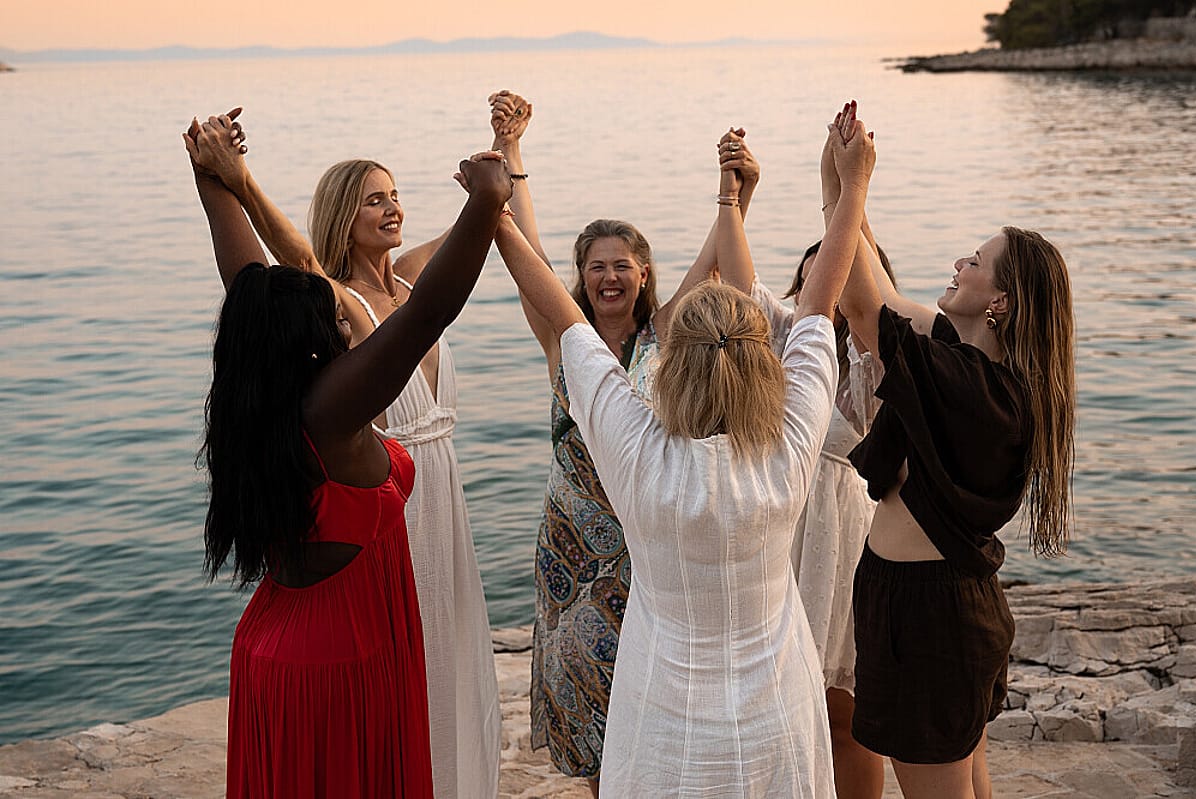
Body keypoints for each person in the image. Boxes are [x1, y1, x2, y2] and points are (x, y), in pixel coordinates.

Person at [492, 112, 876, 797]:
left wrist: (492, 215)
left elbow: (562, 312)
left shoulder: (634, 446)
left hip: (660, 723)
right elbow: (819, 309)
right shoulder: (790, 445)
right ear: (765, 365)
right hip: (776, 715)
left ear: (670, 369)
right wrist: (852, 185)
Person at [185, 111, 511, 798]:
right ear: (302, 339)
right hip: (345, 657)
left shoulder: (265, 397)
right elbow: (427, 316)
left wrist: (210, 174)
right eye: (331, 317)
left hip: (277, 649)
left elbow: (247, 280)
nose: (346, 320)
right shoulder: (331, 405)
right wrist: (486, 197)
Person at [488, 91, 759, 794]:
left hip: (651, 546)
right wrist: (513, 152)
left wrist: (735, 190)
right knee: (587, 694)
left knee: (652, 696)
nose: (609, 276)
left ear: (644, 275)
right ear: (579, 278)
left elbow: (720, 265)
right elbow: (529, 251)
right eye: (596, 266)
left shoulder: (666, 334)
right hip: (574, 547)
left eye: (623, 265)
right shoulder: (563, 339)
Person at [829, 102, 1076, 799]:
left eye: (976, 259)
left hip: (932, 617)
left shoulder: (974, 387)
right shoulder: (958, 357)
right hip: (926, 604)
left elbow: (856, 302)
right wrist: (840, 171)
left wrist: (854, 184)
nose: (959, 262)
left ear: (1000, 300)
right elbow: (864, 272)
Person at [755, 234, 895, 799]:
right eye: (814, 278)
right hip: (782, 530)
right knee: (779, 709)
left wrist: (847, 187)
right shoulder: (785, 344)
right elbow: (744, 285)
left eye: (839, 276)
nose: (826, 290)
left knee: (847, 715)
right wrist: (733, 201)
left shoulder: (879, 358)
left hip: (845, 538)